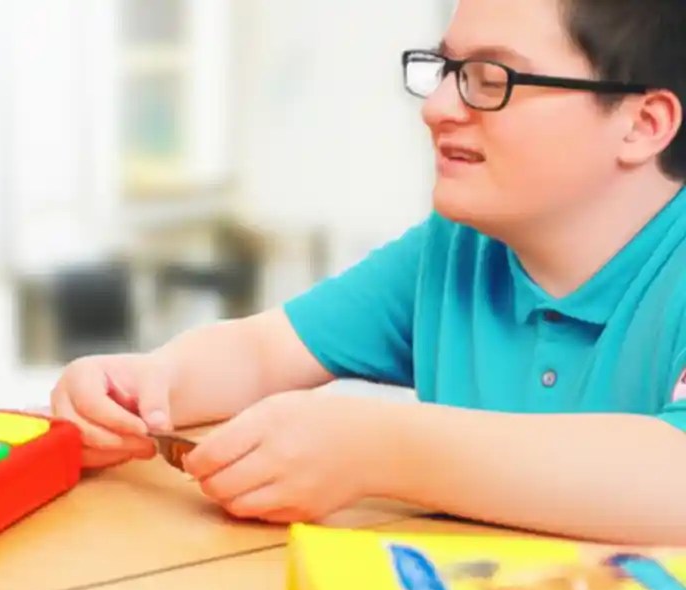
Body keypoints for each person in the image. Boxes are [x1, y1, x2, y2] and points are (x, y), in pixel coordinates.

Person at [52, 0, 686, 545]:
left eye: (491, 78)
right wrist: (146, 384)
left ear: (643, 124)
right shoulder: (457, 253)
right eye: (445, 70)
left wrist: (382, 450)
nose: (437, 107)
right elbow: (269, 347)